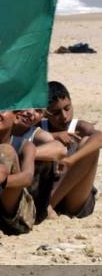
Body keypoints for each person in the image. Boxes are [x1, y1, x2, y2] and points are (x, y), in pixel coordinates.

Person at [44, 82, 102, 218]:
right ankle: (48, 205)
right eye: (56, 113)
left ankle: (50, 205)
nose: (64, 116)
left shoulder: (79, 127)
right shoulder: (39, 128)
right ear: (45, 113)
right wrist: (53, 136)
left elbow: (100, 137)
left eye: (67, 108)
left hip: (74, 198)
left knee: (88, 143)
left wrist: (71, 160)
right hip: (45, 192)